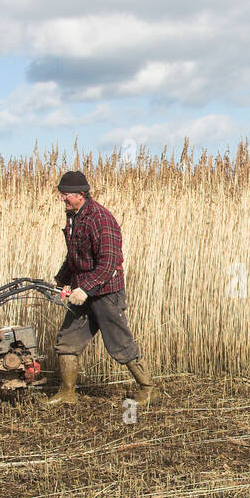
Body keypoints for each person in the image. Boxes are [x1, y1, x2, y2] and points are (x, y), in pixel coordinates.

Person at [46, 170, 158, 407]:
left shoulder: (100, 218)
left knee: (119, 342)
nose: (63, 199)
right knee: (67, 340)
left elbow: (109, 261)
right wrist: (60, 280)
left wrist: (85, 289)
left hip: (106, 292)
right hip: (83, 293)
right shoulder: (73, 217)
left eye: (66, 195)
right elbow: (74, 257)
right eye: (61, 195)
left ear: (81, 194)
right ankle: (67, 393)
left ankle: (148, 389)